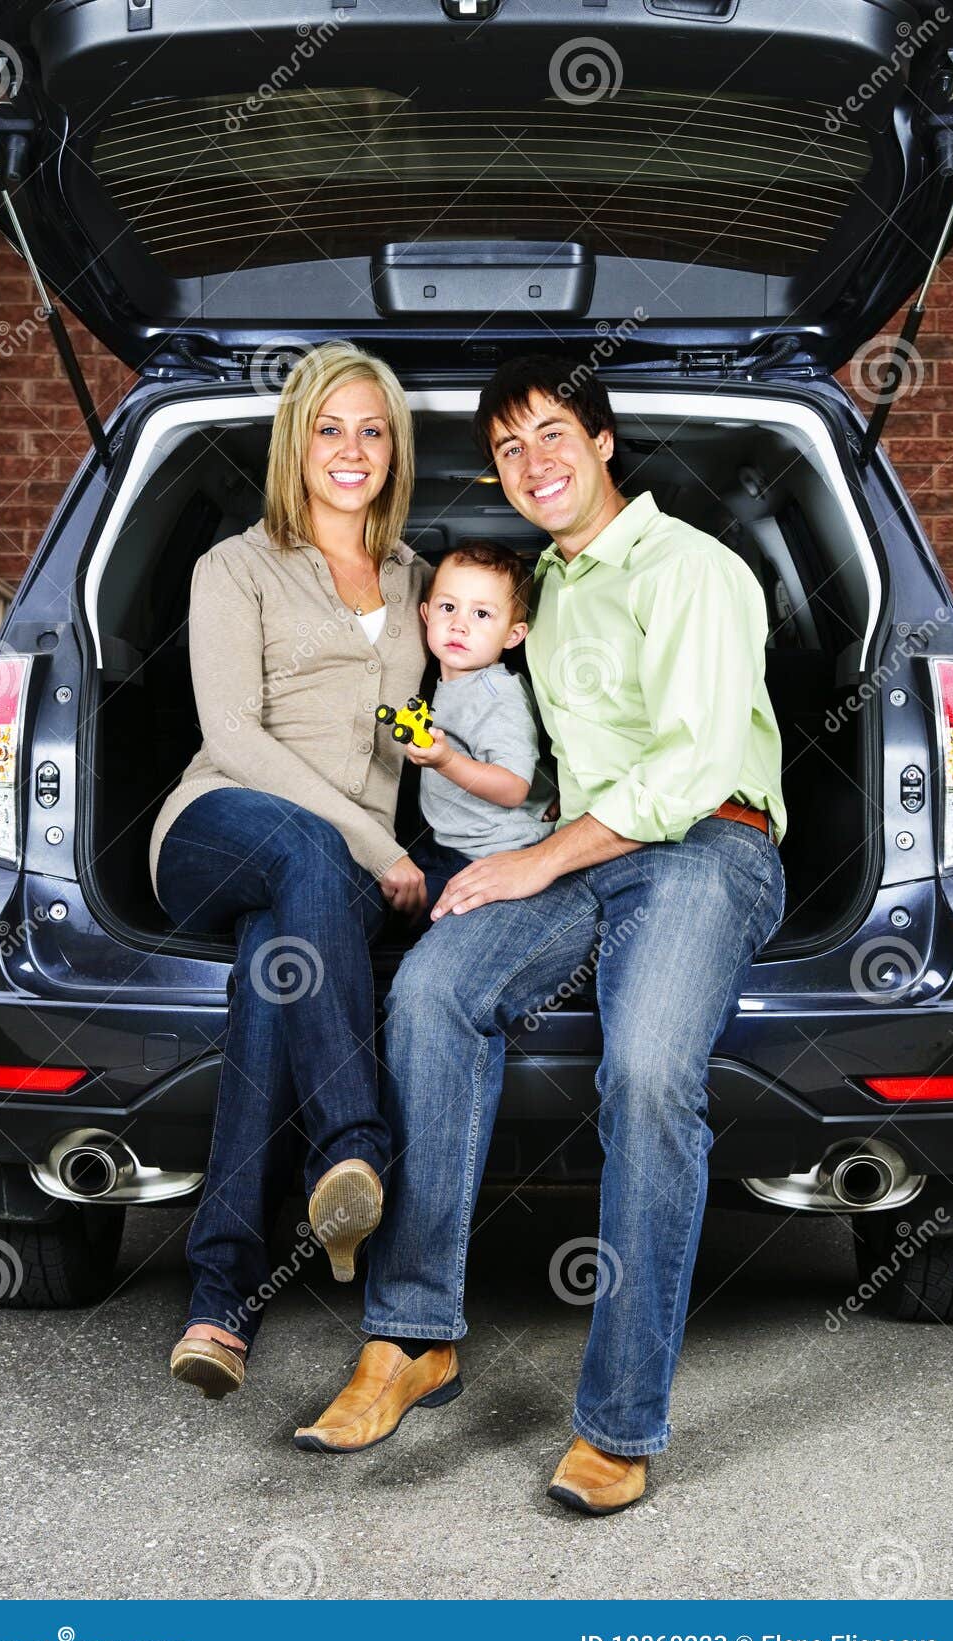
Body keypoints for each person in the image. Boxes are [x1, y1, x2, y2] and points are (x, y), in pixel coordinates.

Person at [295, 355, 788, 1518]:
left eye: (555, 433)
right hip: (577, 850)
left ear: (605, 441)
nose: (534, 463)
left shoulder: (693, 570)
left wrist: (530, 858)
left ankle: (619, 1423)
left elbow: (691, 766)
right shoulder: (546, 591)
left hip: (707, 845)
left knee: (651, 1069)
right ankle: (413, 1334)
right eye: (509, 448)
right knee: (427, 993)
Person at [151, 340, 433, 1401]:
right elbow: (233, 733)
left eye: (371, 429)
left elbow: (412, 727)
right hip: (218, 825)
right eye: (329, 427)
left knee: (276, 960)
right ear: (296, 442)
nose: (351, 448)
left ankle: (220, 1302)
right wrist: (375, 843)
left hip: (338, 868)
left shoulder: (415, 576)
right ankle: (349, 1145)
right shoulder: (235, 566)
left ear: (393, 448)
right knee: (304, 854)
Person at [403, 539, 556, 909]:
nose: (459, 625)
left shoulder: (497, 696)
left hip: (497, 853)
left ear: (513, 635)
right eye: (448, 607)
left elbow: (514, 788)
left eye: (482, 615)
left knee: (419, 911)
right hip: (451, 840)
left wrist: (445, 761)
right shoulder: (448, 680)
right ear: (426, 614)